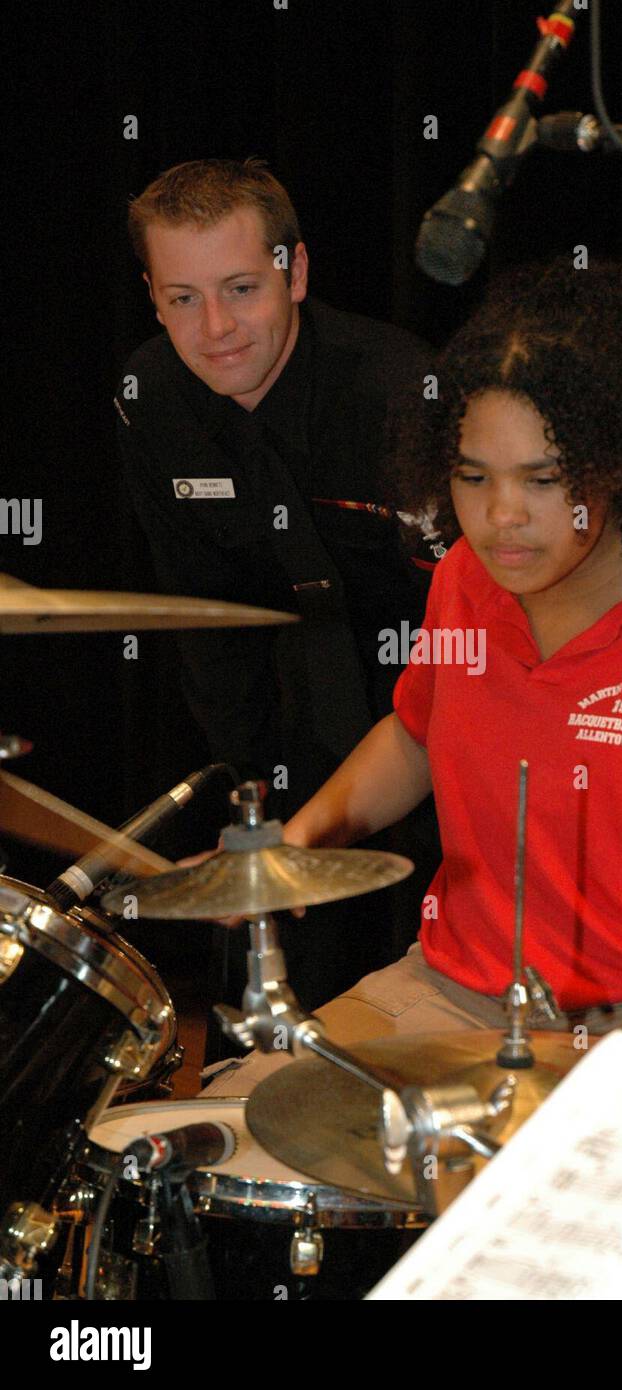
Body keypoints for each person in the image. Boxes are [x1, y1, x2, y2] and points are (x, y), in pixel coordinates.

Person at [202, 256, 622, 1096]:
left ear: (615, 466)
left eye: (543, 481)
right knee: (243, 1116)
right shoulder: (464, 583)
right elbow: (415, 735)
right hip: (465, 993)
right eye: (473, 477)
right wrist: (300, 841)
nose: (500, 516)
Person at [115, 157, 440, 1039]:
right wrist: (256, 803)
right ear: (152, 297)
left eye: (242, 288)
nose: (215, 328)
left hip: (429, 733)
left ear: (296, 272)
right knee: (265, 1047)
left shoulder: (403, 394)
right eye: (182, 297)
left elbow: (475, 632)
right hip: (288, 738)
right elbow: (208, 627)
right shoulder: (151, 400)